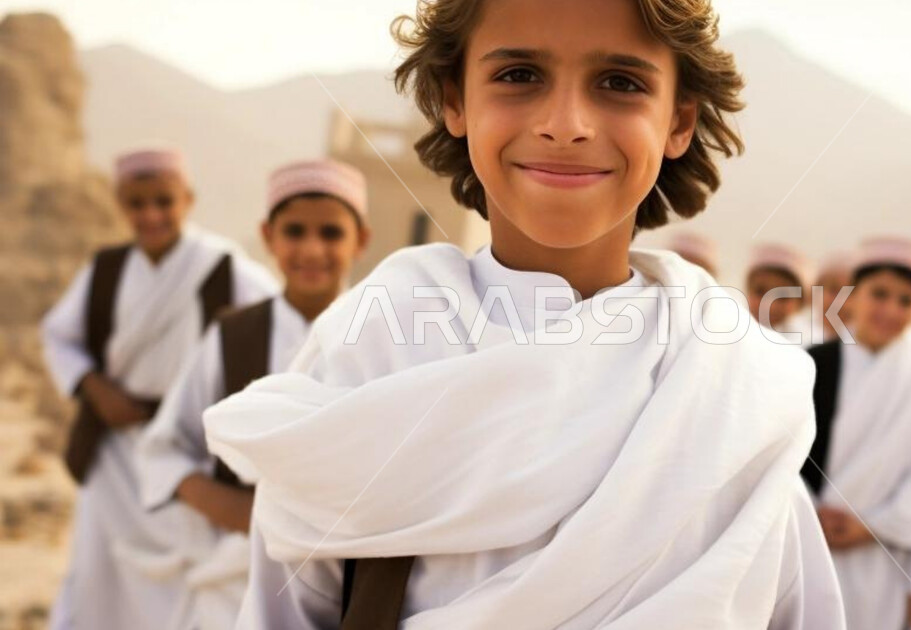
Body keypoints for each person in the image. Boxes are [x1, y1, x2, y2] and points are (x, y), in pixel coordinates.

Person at [206, 0, 845, 628]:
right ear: (455, 99)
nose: (565, 124)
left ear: (678, 121)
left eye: (620, 83)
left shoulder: (731, 388)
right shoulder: (368, 352)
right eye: (518, 75)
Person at [40, 148, 278, 629]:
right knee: (96, 582)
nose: (151, 215)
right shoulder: (106, 270)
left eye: (163, 202)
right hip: (113, 458)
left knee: (183, 589)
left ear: (187, 201)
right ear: (121, 205)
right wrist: (93, 386)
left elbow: (278, 321)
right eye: (137, 203)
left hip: (185, 456)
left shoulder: (223, 269)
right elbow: (58, 336)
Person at [135, 159, 371, 629]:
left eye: (330, 234)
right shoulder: (234, 336)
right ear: (268, 237)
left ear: (359, 240)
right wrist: (249, 513)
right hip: (233, 585)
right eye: (295, 231)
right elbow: (161, 451)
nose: (311, 249)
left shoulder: (380, 334)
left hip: (351, 581)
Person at [801, 236, 911, 629]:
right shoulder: (812, 364)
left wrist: (871, 527)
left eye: (906, 301)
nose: (890, 310)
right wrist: (811, 513)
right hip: (808, 543)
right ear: (853, 296)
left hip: (885, 552)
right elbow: (786, 454)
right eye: (879, 294)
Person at [745, 242, 814, 336]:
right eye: (760, 292)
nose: (770, 305)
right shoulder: (728, 337)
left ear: (801, 303)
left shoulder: (810, 344)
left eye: (783, 296)